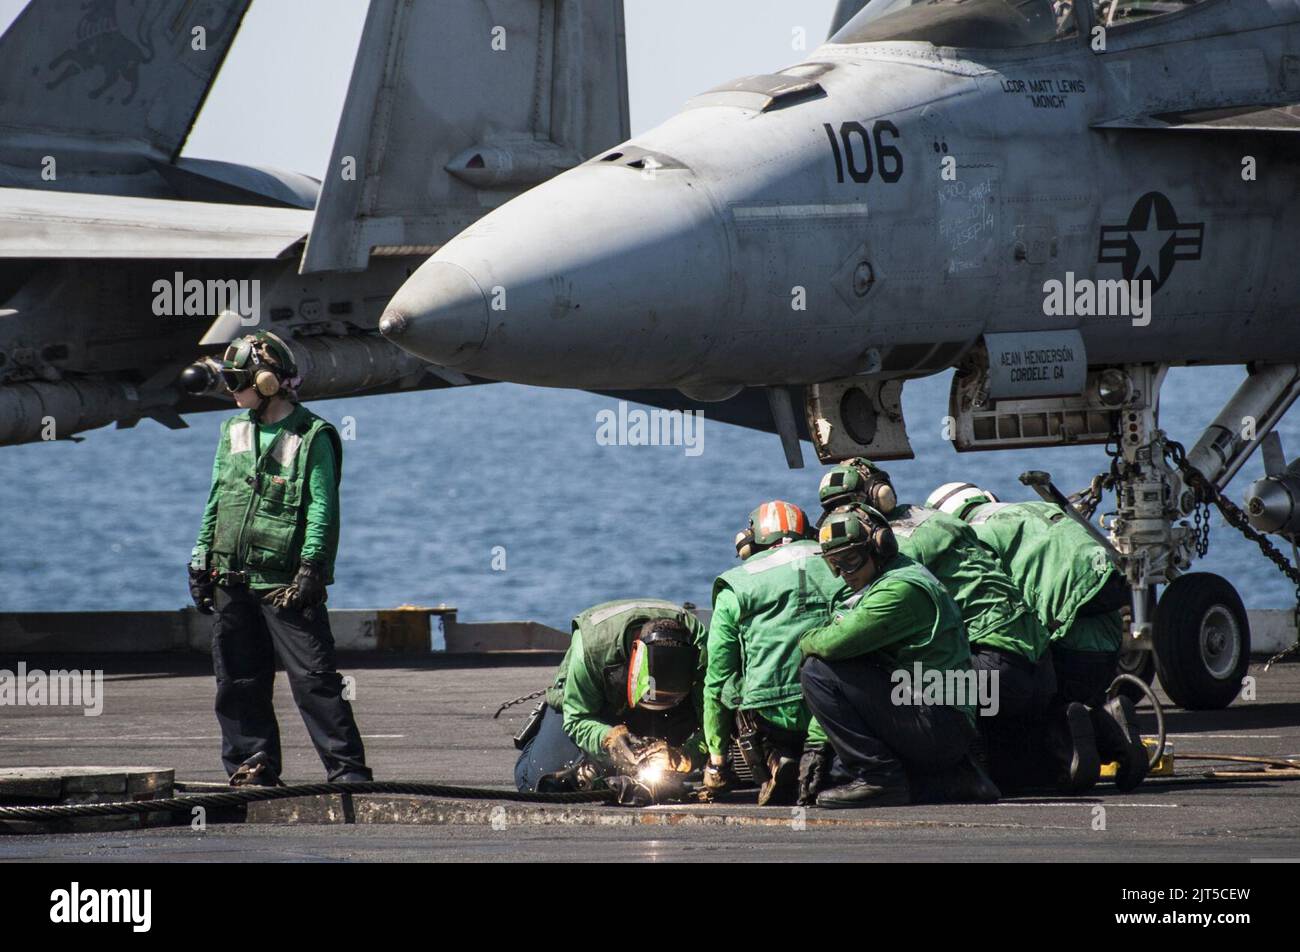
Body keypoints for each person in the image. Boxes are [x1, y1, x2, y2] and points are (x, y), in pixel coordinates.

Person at [188, 331, 370, 785]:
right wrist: (199, 559)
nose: (231, 389)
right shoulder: (234, 430)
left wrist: (311, 568)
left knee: (314, 680)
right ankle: (254, 765)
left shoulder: (313, 436)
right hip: (230, 575)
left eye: (237, 380)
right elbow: (218, 496)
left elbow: (322, 509)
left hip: (285, 582)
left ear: (266, 381)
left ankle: (347, 773)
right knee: (237, 681)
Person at [819, 460, 1062, 793]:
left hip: (989, 673)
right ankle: (1096, 730)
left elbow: (850, 621)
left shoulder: (900, 547)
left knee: (875, 665)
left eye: (847, 507)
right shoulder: (931, 517)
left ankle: (935, 772)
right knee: (1028, 779)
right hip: (1040, 666)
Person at [929, 482, 1148, 791]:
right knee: (1056, 695)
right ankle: (1109, 724)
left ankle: (1067, 750)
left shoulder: (971, 537)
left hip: (1063, 641)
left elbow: (996, 615)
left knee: (1019, 704)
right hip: (1107, 644)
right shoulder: (1035, 510)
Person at [797, 503, 999, 809]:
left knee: (816, 670)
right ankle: (952, 781)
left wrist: (806, 640)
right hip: (933, 715)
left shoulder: (899, 590)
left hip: (937, 719)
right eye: (833, 564)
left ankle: (881, 779)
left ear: (880, 546)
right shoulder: (884, 580)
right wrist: (818, 744)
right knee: (835, 773)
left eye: (850, 560)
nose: (843, 574)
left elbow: (831, 646)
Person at [703, 501, 849, 805]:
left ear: (748, 544)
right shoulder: (842, 559)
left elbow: (717, 679)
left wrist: (716, 761)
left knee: (730, 686)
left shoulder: (735, 586)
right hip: (836, 707)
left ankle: (774, 758)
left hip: (771, 715)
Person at [514, 599, 707, 792]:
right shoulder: (592, 647)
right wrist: (608, 739)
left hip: (675, 711)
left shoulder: (702, 649)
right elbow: (578, 718)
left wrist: (685, 757)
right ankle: (541, 735)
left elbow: (715, 722)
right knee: (537, 783)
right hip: (591, 707)